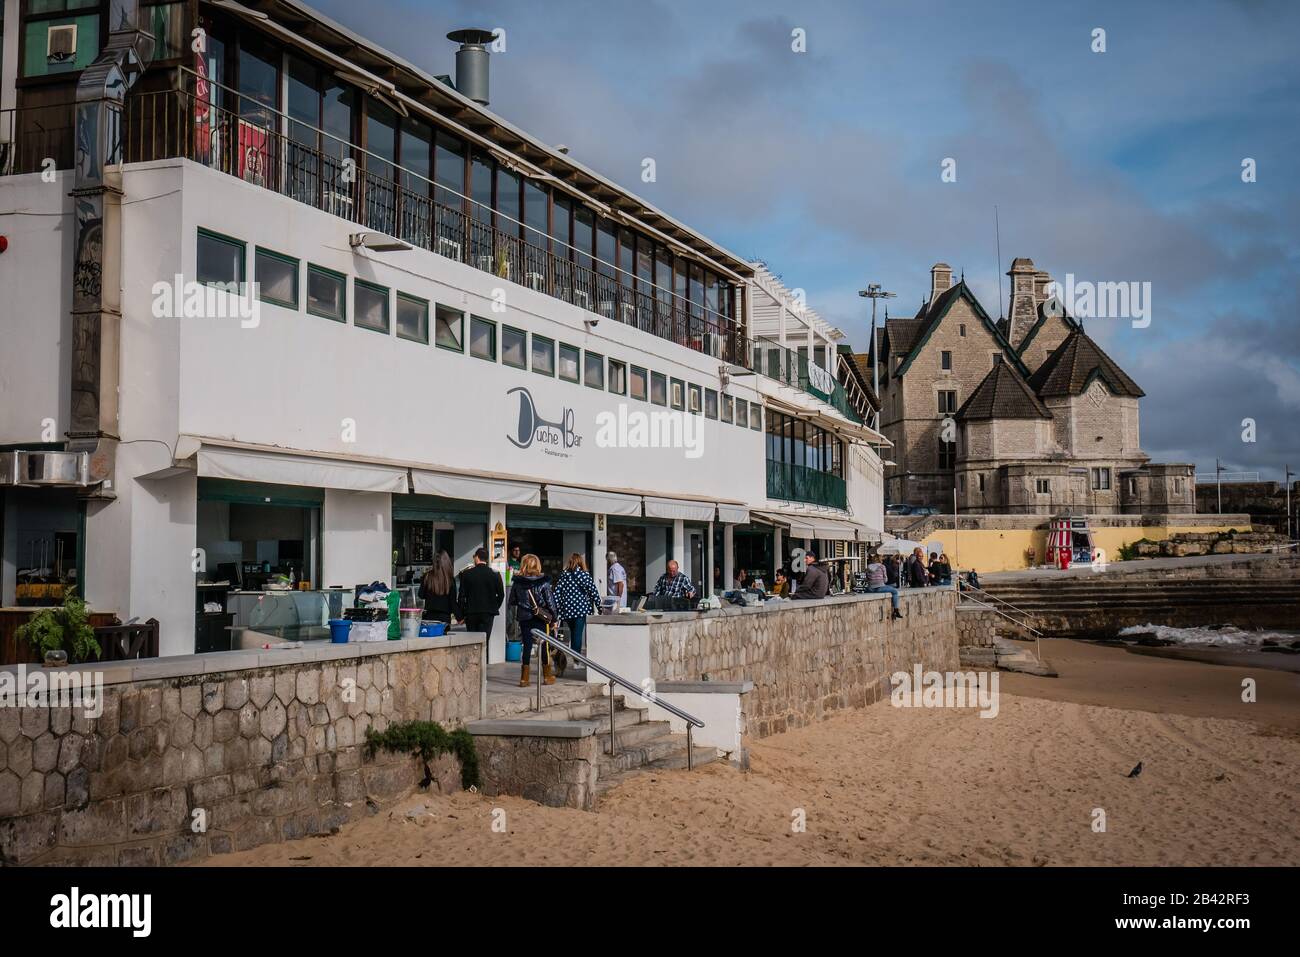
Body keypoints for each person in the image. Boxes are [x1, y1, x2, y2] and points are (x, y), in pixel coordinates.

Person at [509, 553, 559, 687]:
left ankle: (524, 679)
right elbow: (551, 603)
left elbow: (512, 601)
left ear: (523, 565)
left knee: (527, 646)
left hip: (524, 618)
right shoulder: (544, 582)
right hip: (541, 618)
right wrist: (554, 619)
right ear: (537, 565)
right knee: (544, 645)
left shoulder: (517, 583)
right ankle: (547, 676)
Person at [456, 547, 504, 643]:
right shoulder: (495, 575)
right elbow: (501, 595)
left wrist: (461, 614)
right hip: (488, 613)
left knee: (472, 642)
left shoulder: (466, 574)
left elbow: (461, 597)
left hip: (471, 613)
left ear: (476, 557)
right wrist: (494, 607)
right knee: (484, 641)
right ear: (486, 559)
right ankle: (484, 658)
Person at [555, 553, 601, 655]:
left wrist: (556, 609)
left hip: (567, 610)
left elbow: (557, 592)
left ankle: (574, 656)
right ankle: (576, 660)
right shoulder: (585, 575)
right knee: (577, 634)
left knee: (573, 633)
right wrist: (600, 607)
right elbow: (593, 592)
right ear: (581, 562)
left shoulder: (564, 574)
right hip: (581, 610)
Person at [418, 550, 457, 624]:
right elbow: (453, 601)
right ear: (447, 562)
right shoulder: (450, 579)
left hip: (429, 615)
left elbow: (421, 595)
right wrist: (459, 617)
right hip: (445, 616)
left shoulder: (427, 576)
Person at [866, 554, 903, 620]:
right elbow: (885, 580)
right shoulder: (882, 566)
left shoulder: (868, 566)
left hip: (870, 588)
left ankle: (896, 611)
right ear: (880, 559)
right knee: (895, 591)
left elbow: (867, 578)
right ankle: (896, 610)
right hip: (880, 588)